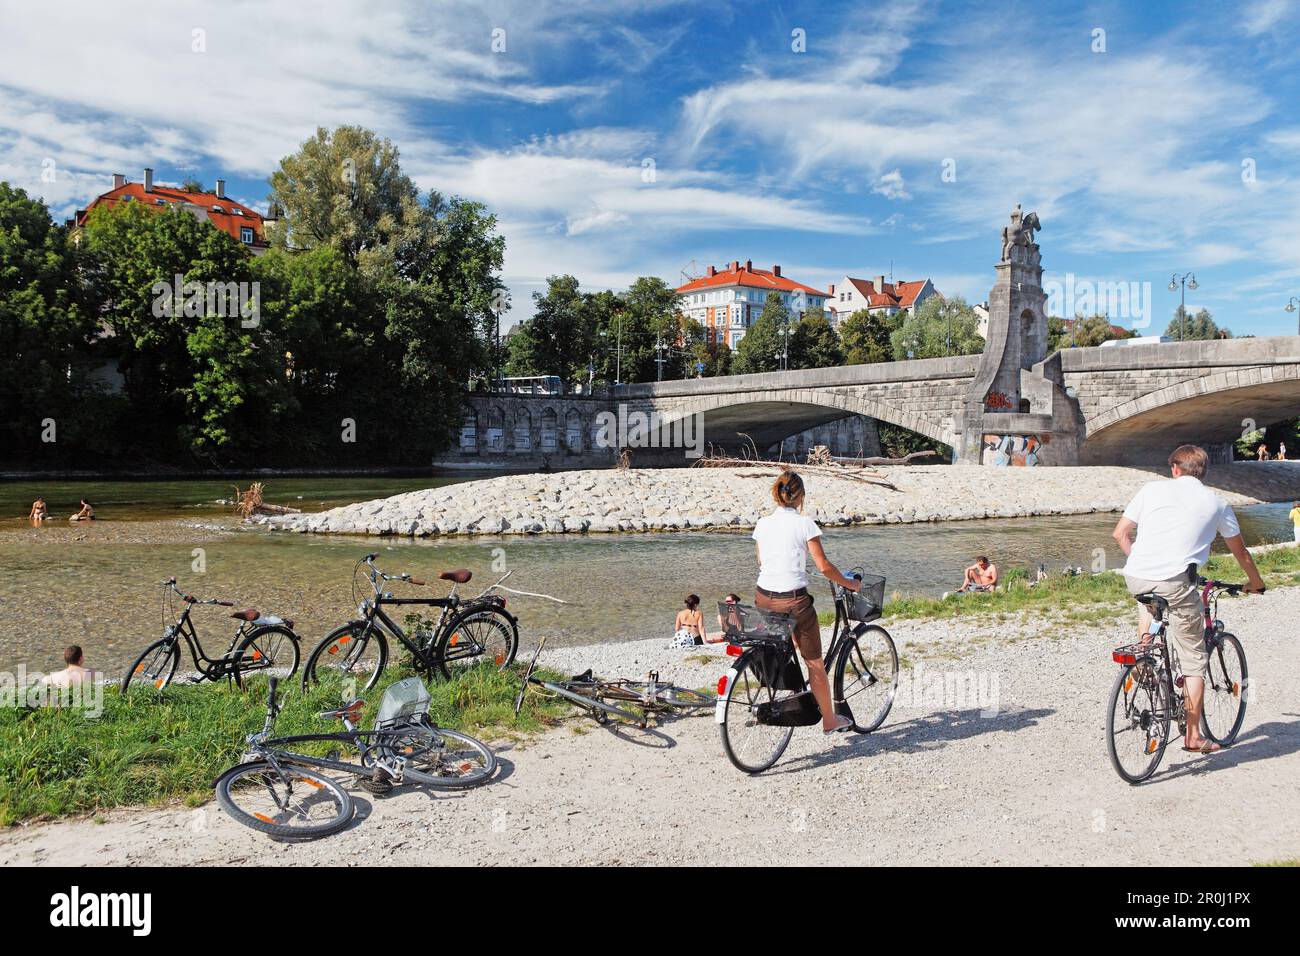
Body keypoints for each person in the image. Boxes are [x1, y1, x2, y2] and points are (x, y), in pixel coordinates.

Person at [1111, 444, 1266, 756]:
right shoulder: (1218, 503)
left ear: (1175, 469)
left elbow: (1120, 534)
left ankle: (1145, 659)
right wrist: (1256, 583)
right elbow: (1241, 552)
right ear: (1202, 472)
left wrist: (1143, 562)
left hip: (1136, 576)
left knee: (1150, 606)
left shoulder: (1150, 489)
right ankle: (1193, 737)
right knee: (1194, 661)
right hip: (1178, 583)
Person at [752, 470, 861, 735]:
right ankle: (829, 720)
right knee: (814, 662)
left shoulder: (762, 524)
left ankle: (794, 692)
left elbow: (762, 562)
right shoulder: (805, 524)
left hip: (763, 598)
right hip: (793, 601)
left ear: (776, 494)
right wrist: (850, 584)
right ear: (800, 498)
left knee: (783, 641)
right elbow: (823, 567)